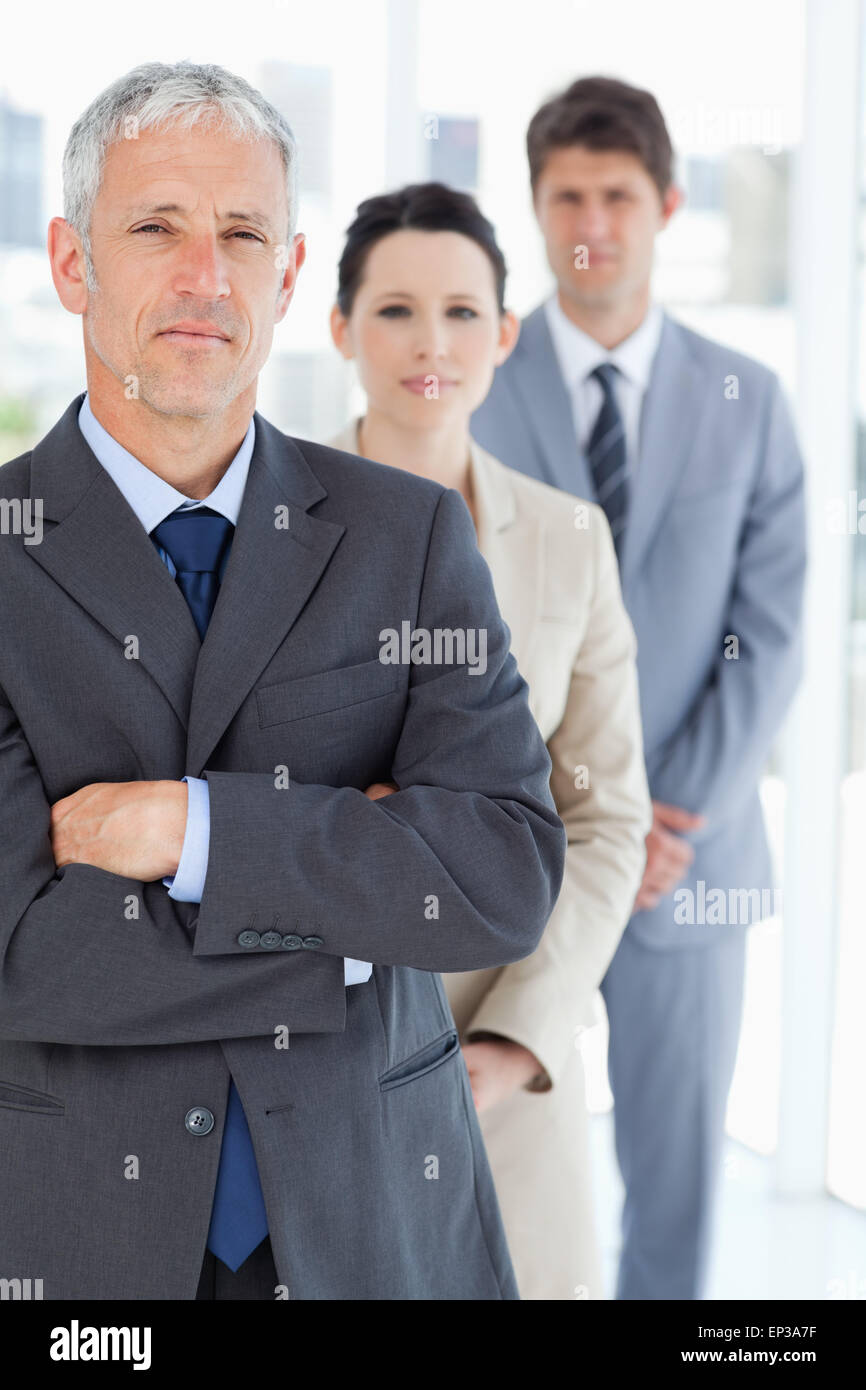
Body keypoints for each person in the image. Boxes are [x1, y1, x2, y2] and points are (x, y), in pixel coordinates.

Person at [0, 62, 567, 1301]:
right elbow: (26, 952)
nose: (205, 276)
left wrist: (190, 831)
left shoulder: (406, 538)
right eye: (155, 227)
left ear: (290, 275)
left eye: (242, 234)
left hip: (373, 1224)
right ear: (70, 262)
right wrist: (353, 936)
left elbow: (502, 877)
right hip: (79, 1237)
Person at [469, 75, 808, 1300]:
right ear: (534, 206)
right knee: (496, 1166)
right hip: (512, 849)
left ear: (666, 204)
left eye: (617, 193)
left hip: (689, 861)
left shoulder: (747, 402)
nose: (591, 221)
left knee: (676, 1188)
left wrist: (667, 816)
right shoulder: (472, 385)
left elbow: (767, 633)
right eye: (566, 194)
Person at [328, 180, 651, 1299]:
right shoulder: (256, 526)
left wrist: (518, 1039)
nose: (432, 342)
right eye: (395, 310)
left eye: (463, 311)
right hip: (313, 1059)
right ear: (338, 330)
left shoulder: (570, 542)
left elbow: (605, 816)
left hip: (502, 1067)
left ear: (506, 332)